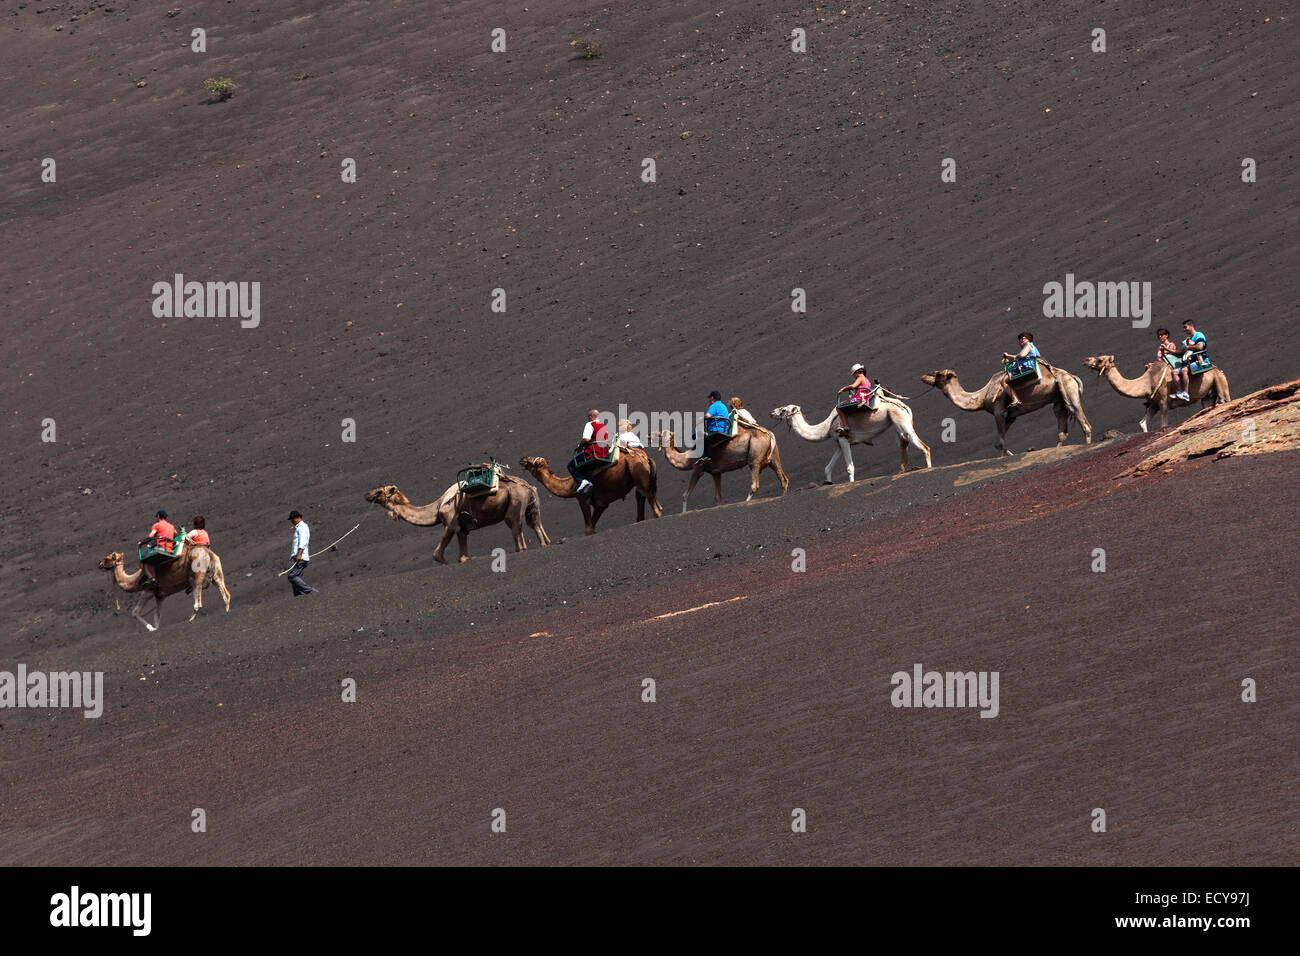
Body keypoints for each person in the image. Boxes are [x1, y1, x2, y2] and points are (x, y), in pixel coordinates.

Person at [568, 408, 609, 495]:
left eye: (588, 417)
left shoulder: (590, 424)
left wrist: (580, 446)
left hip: (593, 453)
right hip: (604, 453)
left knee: (571, 465)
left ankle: (582, 481)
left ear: (591, 417)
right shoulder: (604, 426)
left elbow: (586, 439)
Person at [1000, 332, 1041, 409]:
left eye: (1024, 338)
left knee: (1003, 381)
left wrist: (1008, 356)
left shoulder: (1028, 345)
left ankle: (1015, 399)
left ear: (1028, 339)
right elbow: (1019, 357)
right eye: (1020, 339)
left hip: (1026, 367)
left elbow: (1021, 355)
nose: (1022, 339)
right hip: (1025, 366)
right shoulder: (1028, 347)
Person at [1171, 320, 1206, 401]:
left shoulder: (1199, 335)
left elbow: (1200, 347)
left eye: (1185, 327)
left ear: (1191, 326)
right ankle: (1179, 392)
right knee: (1174, 372)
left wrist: (1188, 347)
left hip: (1201, 362)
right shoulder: (1188, 339)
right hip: (1190, 363)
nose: (1184, 329)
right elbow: (1180, 351)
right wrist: (1168, 350)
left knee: (1184, 370)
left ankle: (1186, 393)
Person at [138, 509, 175, 584]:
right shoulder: (171, 526)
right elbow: (176, 534)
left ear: (158, 516)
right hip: (169, 550)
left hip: (160, 549)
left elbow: (151, 536)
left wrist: (141, 542)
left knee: (143, 560)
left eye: (157, 517)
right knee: (152, 560)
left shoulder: (157, 525)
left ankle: (151, 578)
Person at [835, 364, 872, 434]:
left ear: (857, 372)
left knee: (839, 407)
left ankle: (846, 426)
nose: (854, 376)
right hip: (865, 400)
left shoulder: (860, 378)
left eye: (853, 374)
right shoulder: (867, 380)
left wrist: (844, 389)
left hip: (858, 400)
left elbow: (853, 386)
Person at [287, 510, 316, 596]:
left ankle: (311, 592)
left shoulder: (302, 527)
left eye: (292, 519)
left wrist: (299, 555)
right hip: (298, 556)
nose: (291, 521)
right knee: (296, 576)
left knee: (291, 576)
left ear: (297, 518)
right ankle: (297, 595)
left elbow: (302, 541)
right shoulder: (299, 527)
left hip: (299, 557)